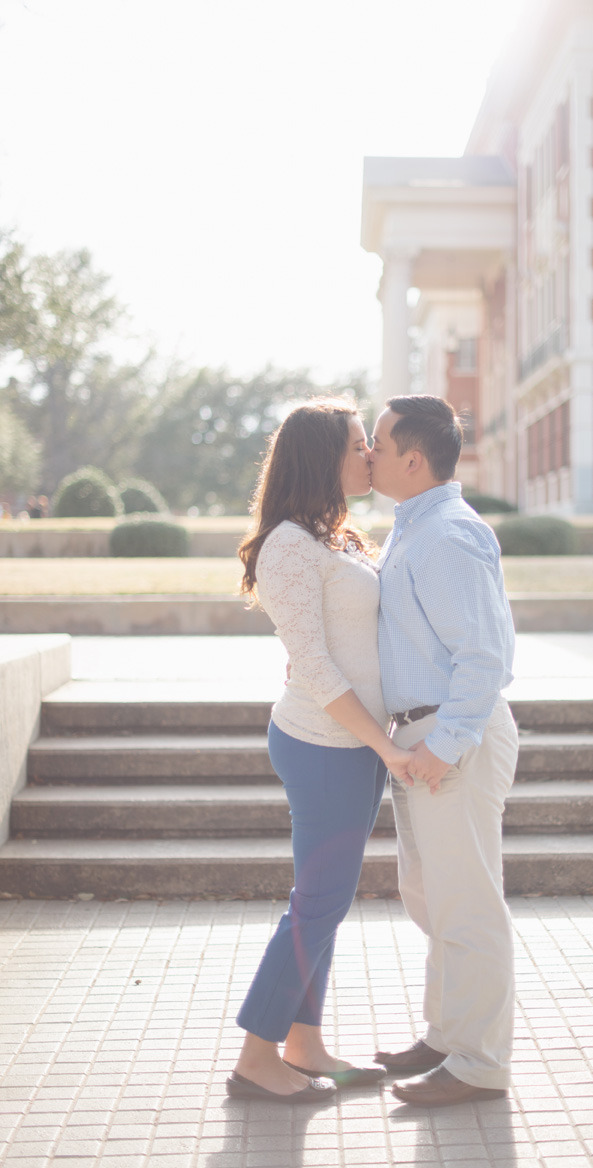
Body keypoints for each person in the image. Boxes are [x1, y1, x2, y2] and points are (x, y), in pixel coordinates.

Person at [230, 398, 413, 1105]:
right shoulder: (287, 546)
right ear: (322, 457)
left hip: (353, 744)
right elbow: (312, 666)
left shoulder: (335, 537)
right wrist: (386, 746)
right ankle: (256, 1057)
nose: (370, 454)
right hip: (323, 744)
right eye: (360, 444)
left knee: (327, 903)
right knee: (316, 904)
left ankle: (303, 1044)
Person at [368, 394, 519, 1108]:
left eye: (376, 443)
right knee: (432, 899)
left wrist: (447, 743)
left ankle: (479, 1064)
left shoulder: (448, 535)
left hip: (449, 736)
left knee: (468, 905)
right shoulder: (414, 528)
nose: (367, 454)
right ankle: (446, 1037)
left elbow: (485, 654)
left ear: (412, 459)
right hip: (419, 736)